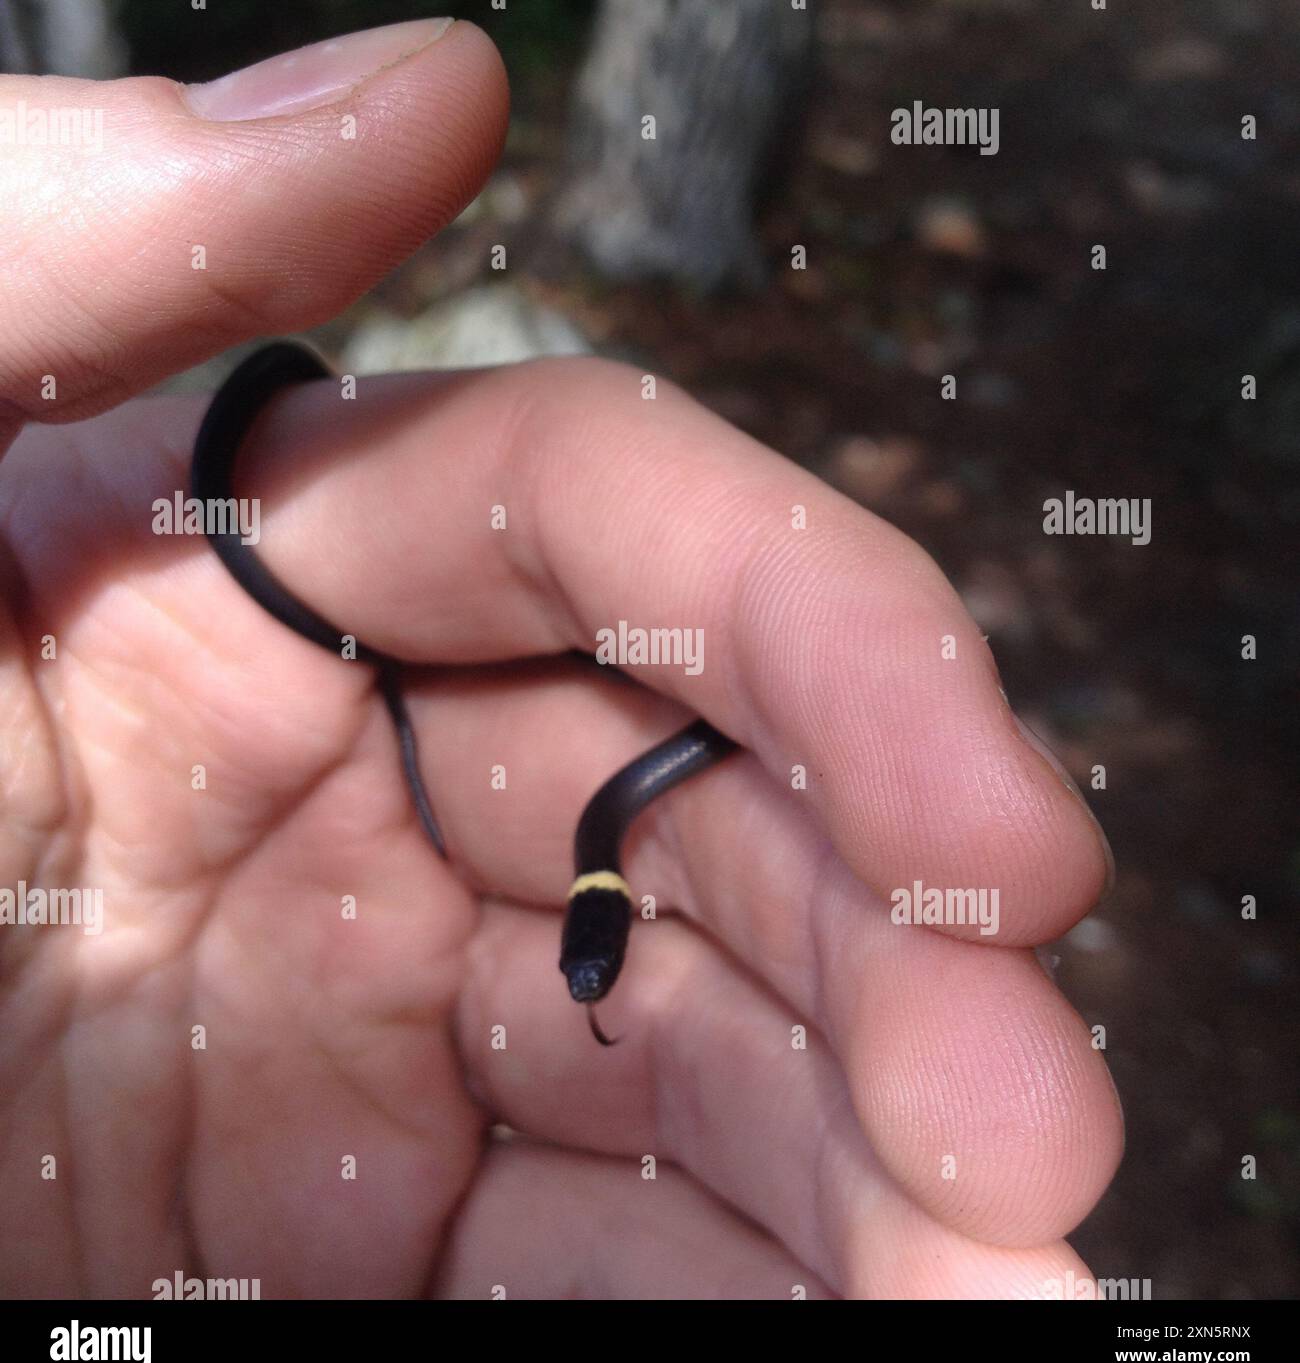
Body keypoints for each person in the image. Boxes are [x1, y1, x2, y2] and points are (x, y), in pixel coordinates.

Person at [0, 19, 1121, 1298]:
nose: (589, 975)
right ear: (614, 911)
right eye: (597, 957)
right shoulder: (604, 833)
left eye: (591, 961)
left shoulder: (606, 831)